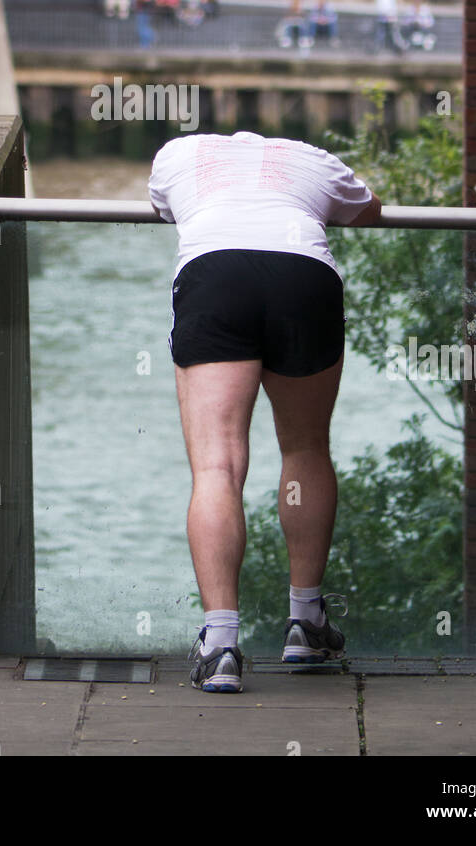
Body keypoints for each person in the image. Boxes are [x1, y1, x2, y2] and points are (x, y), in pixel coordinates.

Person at [148, 132, 381, 693]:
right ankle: (305, 620)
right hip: (303, 276)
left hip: (215, 275)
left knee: (217, 468)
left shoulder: (177, 154)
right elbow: (369, 211)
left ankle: (221, 643)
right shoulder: (314, 159)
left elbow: (164, 205)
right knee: (304, 448)